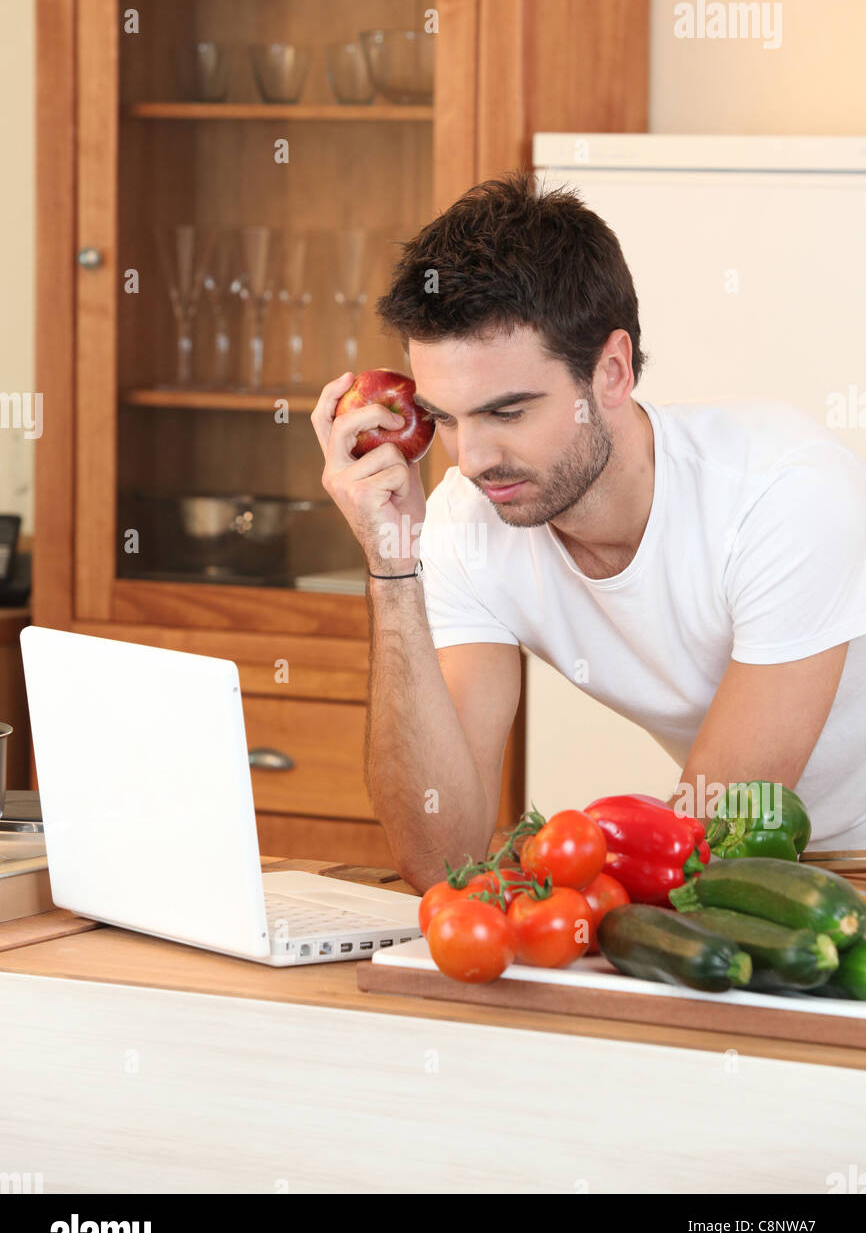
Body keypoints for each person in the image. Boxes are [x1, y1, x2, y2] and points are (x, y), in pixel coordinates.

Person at [311, 172, 866, 893]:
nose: (471, 460)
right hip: (769, 879)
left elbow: (709, 840)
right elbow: (439, 858)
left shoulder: (785, 491)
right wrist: (393, 569)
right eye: (445, 418)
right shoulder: (467, 518)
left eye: (507, 412)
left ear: (612, 370)